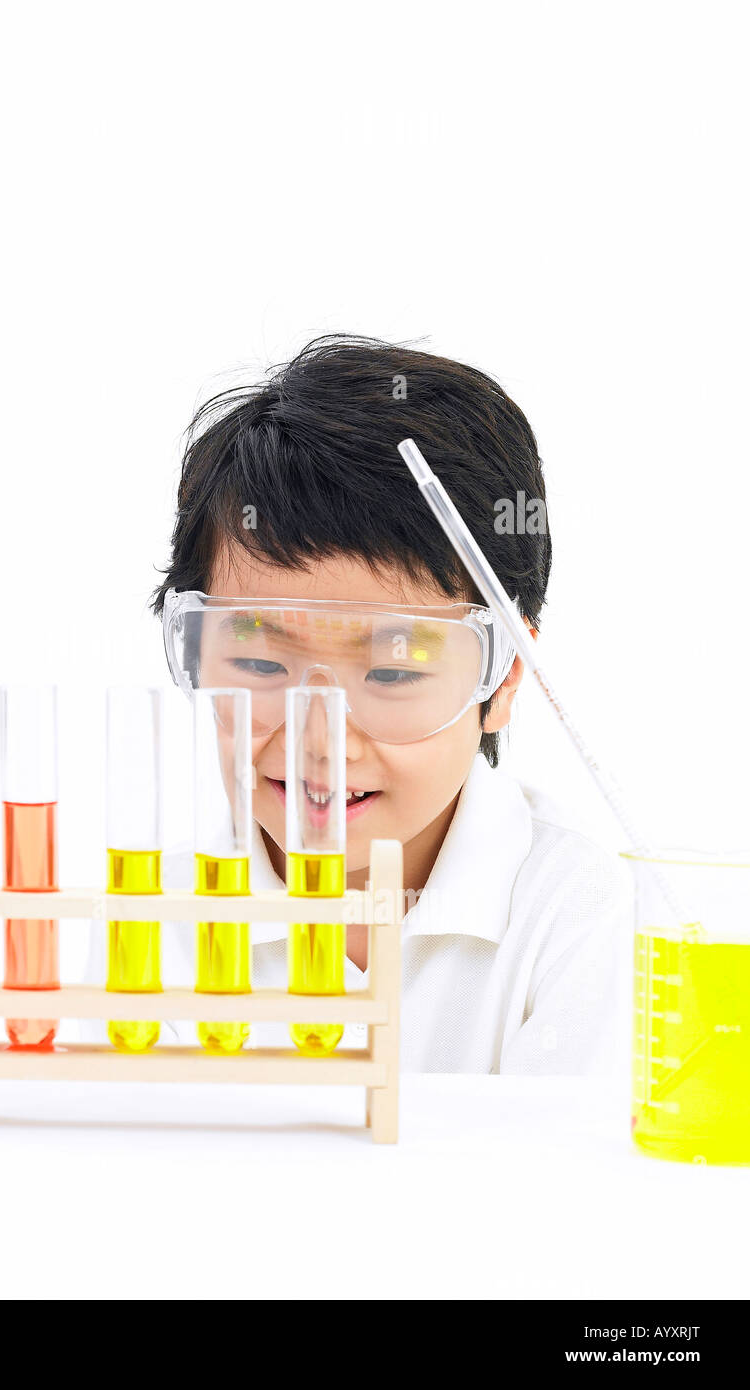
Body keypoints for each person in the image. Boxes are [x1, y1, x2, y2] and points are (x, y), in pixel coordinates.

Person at [86, 336, 630, 1074]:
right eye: (259, 661)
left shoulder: (582, 917)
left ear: (503, 677)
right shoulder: (157, 919)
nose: (322, 741)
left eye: (392, 671)